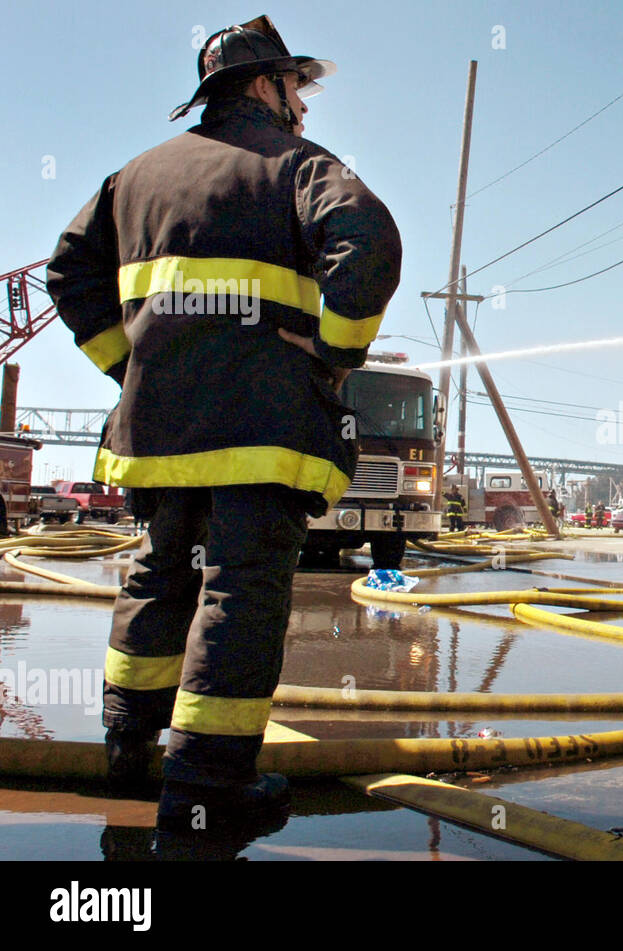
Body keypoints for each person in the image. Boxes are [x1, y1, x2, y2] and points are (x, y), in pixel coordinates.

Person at [46, 15, 401, 838]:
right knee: (238, 594)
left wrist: (127, 365)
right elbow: (370, 242)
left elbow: (70, 270)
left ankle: (129, 747)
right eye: (296, 89)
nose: (303, 108)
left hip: (159, 436)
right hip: (260, 430)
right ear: (265, 87)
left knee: (157, 578)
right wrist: (329, 358)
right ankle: (208, 788)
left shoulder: (132, 177)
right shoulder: (298, 166)